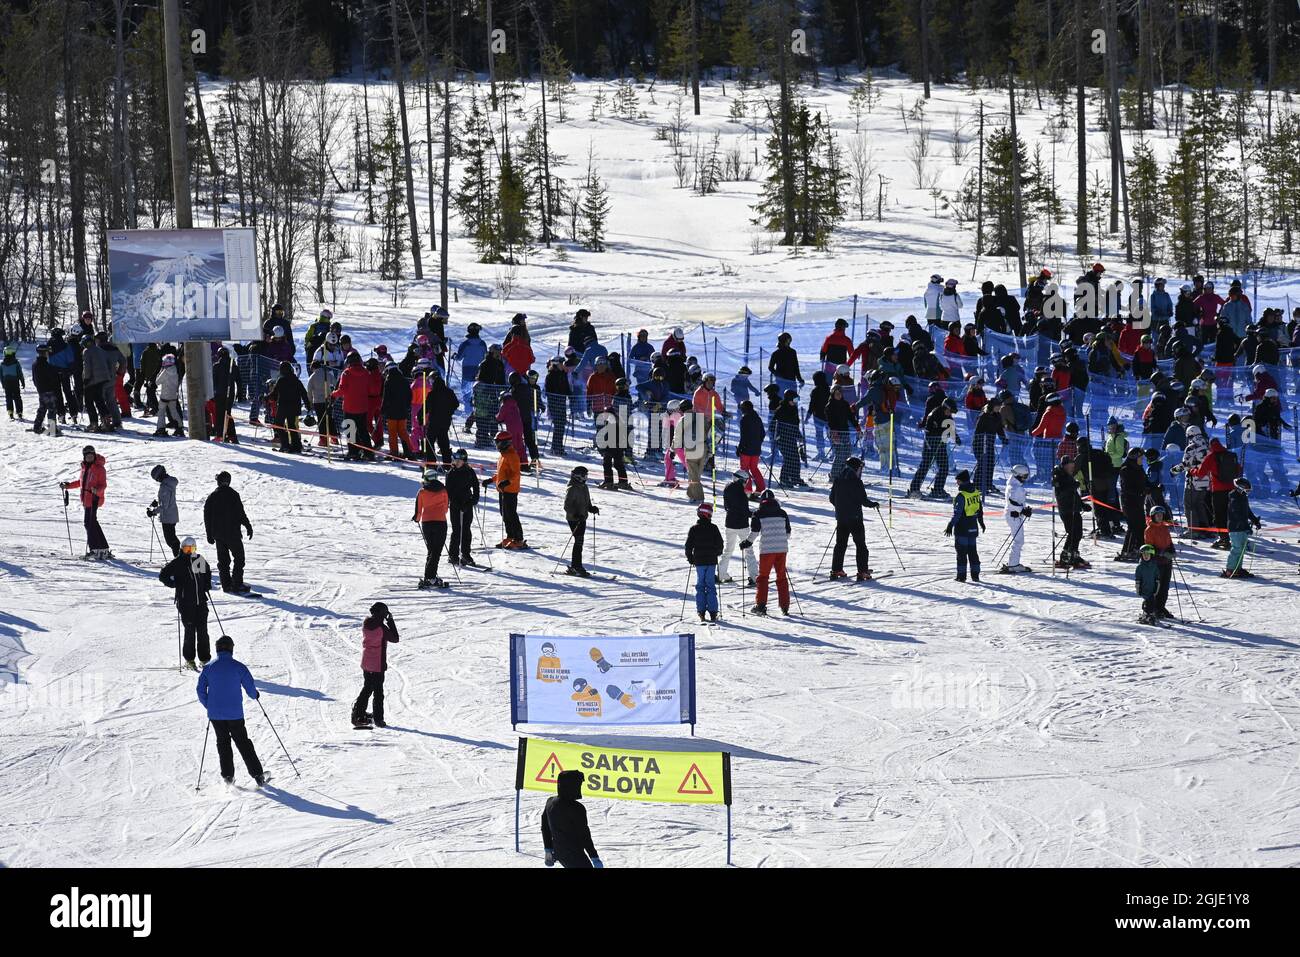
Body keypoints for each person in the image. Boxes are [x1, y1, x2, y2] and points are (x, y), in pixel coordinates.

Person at [197, 635, 265, 785]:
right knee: (243, 742)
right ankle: (258, 775)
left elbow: (200, 689)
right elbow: (250, 689)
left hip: (215, 715)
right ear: (231, 649)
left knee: (223, 743)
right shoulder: (238, 667)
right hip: (235, 714)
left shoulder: (208, 668)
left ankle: (228, 776)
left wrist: (209, 705)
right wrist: (255, 695)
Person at [161, 537, 213, 668]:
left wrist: (206, 585)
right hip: (185, 603)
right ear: (182, 549)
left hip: (201, 602)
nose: (189, 551)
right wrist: (174, 584)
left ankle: (205, 658)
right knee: (190, 631)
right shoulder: (178, 562)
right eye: (187, 549)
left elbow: (207, 573)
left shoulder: (199, 559)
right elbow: (163, 575)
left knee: (202, 631)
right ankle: (189, 659)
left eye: (192, 548)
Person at [829, 456, 880, 581]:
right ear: (856, 468)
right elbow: (863, 501)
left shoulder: (838, 480)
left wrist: (841, 507)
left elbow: (831, 498)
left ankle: (836, 570)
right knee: (860, 545)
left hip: (841, 518)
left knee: (840, 544)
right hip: (855, 518)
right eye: (860, 469)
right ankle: (862, 571)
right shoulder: (856, 482)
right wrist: (874, 504)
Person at [203, 471, 254, 594]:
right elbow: (240, 513)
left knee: (223, 560)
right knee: (239, 558)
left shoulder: (212, 496)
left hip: (218, 535)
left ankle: (226, 584)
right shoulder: (233, 495)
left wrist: (209, 534)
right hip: (232, 534)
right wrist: (248, 526)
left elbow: (207, 516)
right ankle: (236, 584)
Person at [542, 769, 602, 869]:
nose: (579, 788)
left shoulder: (550, 802)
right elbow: (584, 835)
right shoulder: (577, 808)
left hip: (559, 853)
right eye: (578, 785)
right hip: (575, 856)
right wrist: (594, 857)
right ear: (572, 786)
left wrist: (548, 849)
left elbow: (545, 827)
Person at [353, 602, 400, 729]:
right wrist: (390, 621)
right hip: (377, 664)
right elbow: (395, 638)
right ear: (382, 614)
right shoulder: (382, 628)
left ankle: (358, 713)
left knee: (367, 688)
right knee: (378, 692)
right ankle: (378, 719)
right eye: (385, 613)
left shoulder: (366, 623)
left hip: (366, 662)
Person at [60, 445, 111, 560]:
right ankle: (103, 549)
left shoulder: (99, 468)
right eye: (87, 456)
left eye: (91, 456)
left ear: (94, 455)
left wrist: (96, 490)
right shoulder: (84, 468)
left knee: (89, 523)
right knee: (93, 522)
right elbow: (80, 482)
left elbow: (103, 485)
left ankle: (94, 549)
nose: (89, 458)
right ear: (84, 457)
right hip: (86, 500)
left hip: (94, 499)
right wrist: (68, 486)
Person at [747, 489, 791, 616]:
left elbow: (754, 532)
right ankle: (785, 606)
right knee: (781, 577)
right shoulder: (782, 513)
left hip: (767, 550)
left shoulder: (758, 513)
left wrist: (747, 542)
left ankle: (761, 605)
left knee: (763, 577)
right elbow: (788, 533)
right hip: (782, 549)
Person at [684, 502, 725, 622]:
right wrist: (717, 553)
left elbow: (688, 546)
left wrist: (690, 558)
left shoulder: (694, 529)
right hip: (711, 561)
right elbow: (720, 544)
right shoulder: (713, 528)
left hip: (699, 561)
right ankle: (713, 611)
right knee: (710, 585)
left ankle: (701, 610)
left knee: (700, 585)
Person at [945, 469, 985, 582]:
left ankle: (961, 576)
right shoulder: (975, 492)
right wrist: (981, 522)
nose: (957, 483)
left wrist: (950, 525)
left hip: (962, 528)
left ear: (962, 481)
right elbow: (980, 509)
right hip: (973, 526)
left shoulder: (961, 496)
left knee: (961, 552)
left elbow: (957, 514)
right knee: (973, 552)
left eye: (957, 481)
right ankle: (975, 575)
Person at [487, 431, 526, 548]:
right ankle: (510, 536)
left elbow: (516, 474)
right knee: (504, 514)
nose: (496, 445)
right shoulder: (503, 455)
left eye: (498, 442)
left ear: (505, 443)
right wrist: (491, 480)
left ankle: (518, 539)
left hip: (511, 490)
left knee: (511, 514)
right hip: (502, 489)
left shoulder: (512, 455)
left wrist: (507, 482)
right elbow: (501, 473)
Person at [718, 470, 757, 586]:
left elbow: (727, 507)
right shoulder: (741, 493)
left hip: (729, 524)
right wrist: (753, 514)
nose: (746, 483)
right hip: (742, 525)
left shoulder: (727, 489)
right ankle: (754, 576)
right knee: (748, 550)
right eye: (745, 481)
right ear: (741, 480)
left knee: (728, 550)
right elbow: (744, 511)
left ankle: (721, 574)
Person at [412, 473, 450, 589]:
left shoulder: (422, 492)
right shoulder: (443, 490)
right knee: (436, 551)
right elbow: (445, 508)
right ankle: (430, 577)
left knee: (431, 550)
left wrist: (417, 519)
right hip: (440, 522)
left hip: (427, 523)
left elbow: (418, 510)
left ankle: (429, 577)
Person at [1052, 457, 1091, 570]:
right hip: (1067, 509)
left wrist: (1082, 505)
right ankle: (1065, 557)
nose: (1072, 468)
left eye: (1073, 466)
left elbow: (1074, 493)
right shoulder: (1059, 476)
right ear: (1065, 465)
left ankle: (1074, 555)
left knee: (1077, 533)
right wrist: (1072, 486)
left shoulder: (1068, 476)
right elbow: (1061, 492)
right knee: (1072, 533)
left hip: (1074, 508)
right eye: (1071, 466)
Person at [445, 449, 480, 568]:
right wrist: (456, 504)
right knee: (457, 531)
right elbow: (448, 492)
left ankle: (466, 554)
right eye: (455, 459)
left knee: (466, 530)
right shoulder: (451, 473)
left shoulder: (469, 471)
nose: (456, 462)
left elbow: (476, 486)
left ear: (464, 461)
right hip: (456, 506)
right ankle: (453, 555)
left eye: (459, 460)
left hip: (467, 504)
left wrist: (474, 500)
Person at [563, 466, 599, 577]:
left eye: (586, 475)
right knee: (578, 541)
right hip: (574, 519)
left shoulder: (584, 487)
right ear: (577, 476)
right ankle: (576, 566)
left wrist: (591, 508)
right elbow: (567, 506)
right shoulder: (572, 488)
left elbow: (587, 502)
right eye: (584, 475)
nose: (585, 478)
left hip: (582, 517)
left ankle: (576, 566)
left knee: (580, 542)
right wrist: (575, 514)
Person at [1222, 477, 1261, 579]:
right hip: (1236, 528)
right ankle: (1230, 570)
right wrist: (1246, 526)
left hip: (1242, 527)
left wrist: (1254, 520)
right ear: (1240, 488)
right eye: (1247, 490)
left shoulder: (1243, 496)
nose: (1248, 492)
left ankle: (1237, 568)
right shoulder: (1234, 497)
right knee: (1237, 548)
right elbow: (1236, 514)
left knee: (1242, 549)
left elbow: (1247, 511)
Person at [267, 361, 310, 453]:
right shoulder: (297, 381)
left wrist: (266, 398)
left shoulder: (281, 380)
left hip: (283, 407)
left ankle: (285, 444)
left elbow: (274, 394)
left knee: (278, 425)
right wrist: (308, 405)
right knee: (291, 426)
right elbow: (304, 394)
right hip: (294, 408)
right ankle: (296, 446)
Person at [1144, 505, 1177, 618]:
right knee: (1156, 586)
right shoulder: (1149, 530)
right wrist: (1162, 553)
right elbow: (1149, 547)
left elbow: (1169, 542)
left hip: (1167, 561)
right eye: (1157, 515)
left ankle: (1161, 607)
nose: (1159, 517)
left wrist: (1172, 550)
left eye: (1161, 515)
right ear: (1153, 516)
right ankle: (1152, 608)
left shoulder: (1164, 527)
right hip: (1157, 562)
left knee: (1165, 587)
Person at [1001, 463, 1033, 573]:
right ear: (1018, 475)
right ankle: (1013, 565)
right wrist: (1022, 510)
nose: (1025, 479)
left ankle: (1013, 563)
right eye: (1024, 476)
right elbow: (1011, 503)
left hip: (1014, 516)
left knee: (1018, 540)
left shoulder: (1014, 485)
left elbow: (1016, 502)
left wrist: (1024, 510)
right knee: (1018, 541)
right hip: (1013, 516)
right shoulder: (1014, 487)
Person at [147, 464, 181, 557]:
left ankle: (180, 559)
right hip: (171, 515)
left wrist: (153, 512)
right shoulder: (170, 483)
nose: (157, 481)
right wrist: (157, 502)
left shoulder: (165, 486)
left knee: (171, 541)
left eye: (157, 479)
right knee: (172, 539)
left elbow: (164, 506)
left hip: (168, 517)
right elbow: (166, 501)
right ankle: (180, 558)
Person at [154, 353, 184, 437]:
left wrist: (160, 372)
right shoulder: (175, 371)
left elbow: (157, 381)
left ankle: (161, 428)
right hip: (173, 395)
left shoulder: (165, 371)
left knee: (161, 412)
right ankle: (179, 427)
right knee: (174, 411)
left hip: (165, 395)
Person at [1135, 545, 1162, 625]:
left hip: (1152, 588)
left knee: (1151, 602)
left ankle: (1149, 615)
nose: (1146, 556)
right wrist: (1138, 588)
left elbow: (1157, 577)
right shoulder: (1140, 567)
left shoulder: (1154, 566)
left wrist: (1157, 586)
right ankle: (1147, 615)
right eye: (1144, 555)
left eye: (1147, 555)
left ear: (1151, 555)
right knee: (1148, 602)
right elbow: (1138, 578)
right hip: (1144, 588)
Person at [1, 345, 25, 419]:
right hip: (15, 382)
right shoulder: (16, 362)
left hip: (6, 382)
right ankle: (19, 412)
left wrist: (3, 384)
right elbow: (20, 373)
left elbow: (1, 376)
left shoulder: (2, 364)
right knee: (17, 397)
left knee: (8, 398)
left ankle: (10, 412)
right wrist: (22, 381)